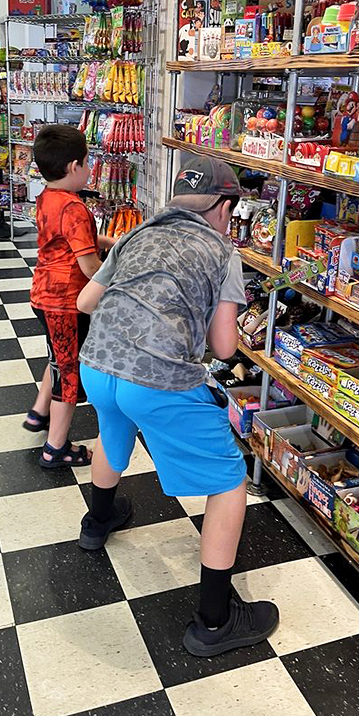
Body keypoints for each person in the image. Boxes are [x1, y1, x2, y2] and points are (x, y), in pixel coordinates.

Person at [76, 155, 279, 657]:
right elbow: (227, 346)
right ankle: (214, 622)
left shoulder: (137, 235)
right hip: (158, 378)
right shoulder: (222, 253)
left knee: (112, 435)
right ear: (224, 206)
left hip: (98, 363)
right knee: (229, 482)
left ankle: (97, 522)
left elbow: (85, 302)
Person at [25, 124, 114, 468]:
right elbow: (90, 267)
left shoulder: (48, 197)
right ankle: (55, 448)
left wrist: (113, 242)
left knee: (59, 358)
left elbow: (70, 240)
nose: (91, 170)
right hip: (65, 302)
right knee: (69, 372)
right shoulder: (75, 208)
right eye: (89, 163)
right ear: (74, 167)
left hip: (43, 295)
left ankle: (38, 414)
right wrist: (117, 276)